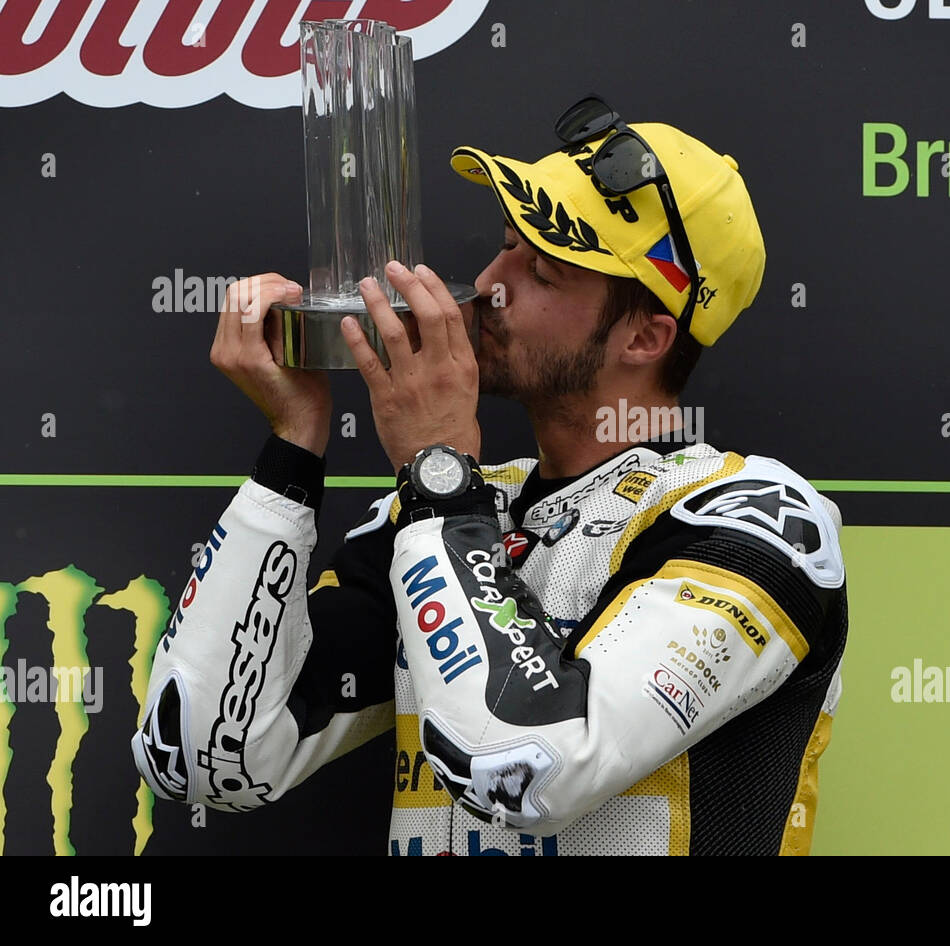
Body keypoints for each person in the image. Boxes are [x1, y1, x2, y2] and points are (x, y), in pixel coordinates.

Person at [132, 96, 849, 856]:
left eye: (540, 269)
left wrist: (437, 473)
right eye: (506, 245)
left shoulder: (756, 524)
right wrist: (291, 453)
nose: (487, 282)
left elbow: (527, 766)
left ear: (646, 335)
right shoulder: (449, 509)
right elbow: (207, 756)